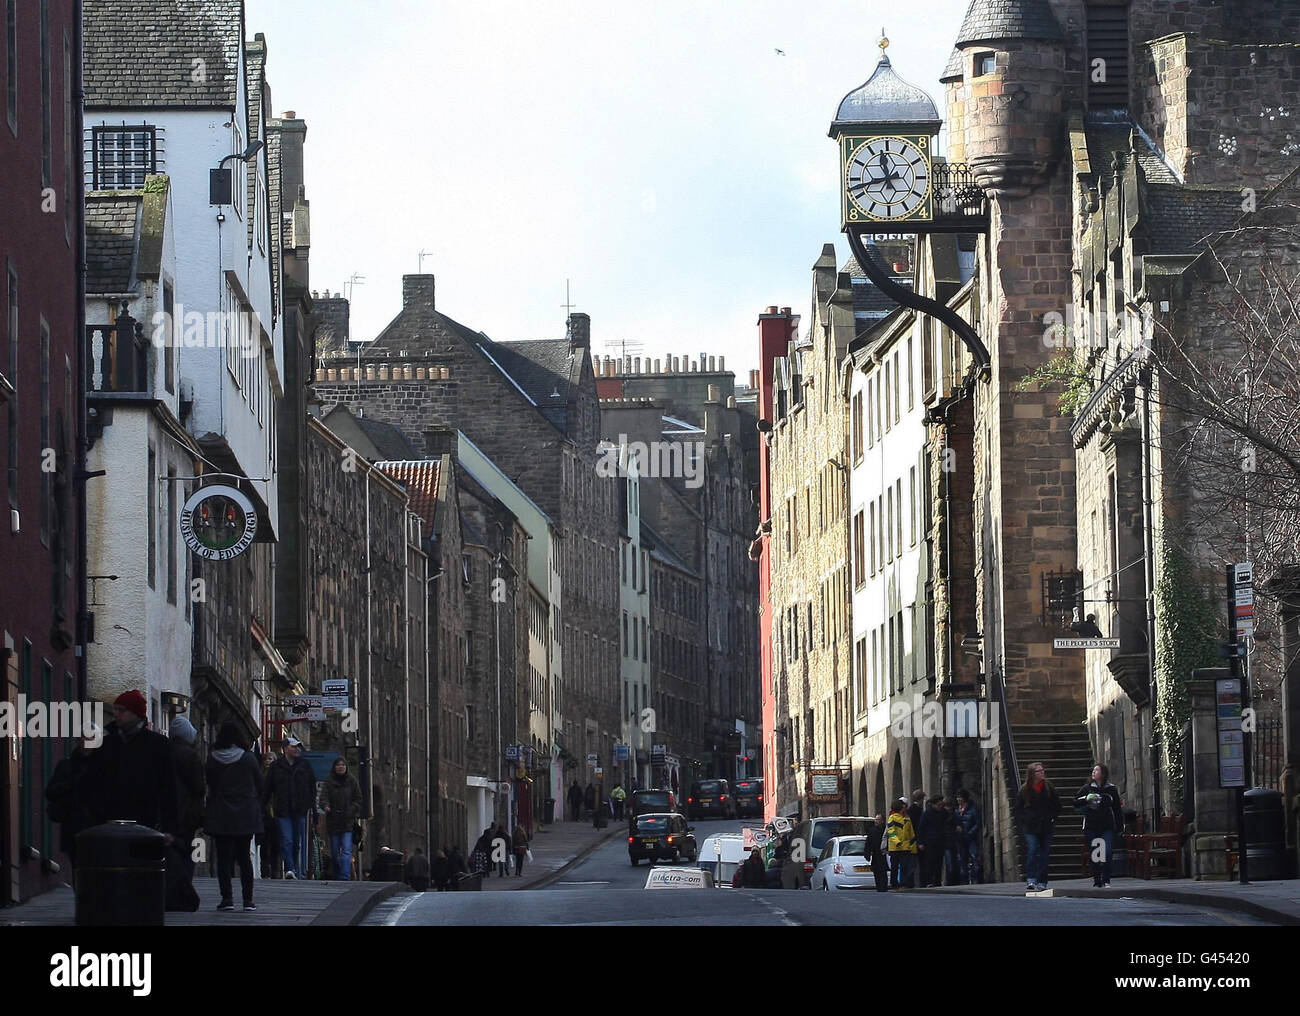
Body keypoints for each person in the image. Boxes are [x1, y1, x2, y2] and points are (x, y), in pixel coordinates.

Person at [83, 691, 179, 841]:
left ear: (136, 713)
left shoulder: (157, 744)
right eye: (115, 709)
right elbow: (93, 782)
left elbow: (168, 788)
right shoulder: (106, 743)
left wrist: (169, 829)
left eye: (121, 710)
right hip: (109, 825)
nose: (116, 714)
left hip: (146, 824)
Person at [205, 721, 264, 912]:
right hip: (245, 813)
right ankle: (248, 900)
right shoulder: (248, 759)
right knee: (244, 857)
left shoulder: (213, 758)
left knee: (223, 858)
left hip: (221, 812)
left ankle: (227, 899)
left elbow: (210, 784)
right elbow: (260, 784)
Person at [45, 724, 101, 872]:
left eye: (91, 737)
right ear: (77, 740)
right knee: (78, 868)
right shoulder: (67, 765)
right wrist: (70, 785)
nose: (87, 741)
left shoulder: (104, 765)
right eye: (83, 737)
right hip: (73, 825)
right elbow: (50, 792)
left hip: (98, 825)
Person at [264, 735, 317, 879]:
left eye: (297, 746)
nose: (297, 749)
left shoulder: (304, 765)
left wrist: (312, 807)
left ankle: (294, 868)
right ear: (286, 748)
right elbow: (268, 788)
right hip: (283, 809)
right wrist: (262, 805)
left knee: (296, 842)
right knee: (287, 839)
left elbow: (312, 787)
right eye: (293, 746)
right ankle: (290, 868)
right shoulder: (276, 767)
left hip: (299, 809)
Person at [1013, 761, 1061, 891]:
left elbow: (1057, 805)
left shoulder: (1049, 787)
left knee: (1045, 854)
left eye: (1042, 770)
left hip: (1046, 825)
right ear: (1032, 774)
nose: (1042, 772)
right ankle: (1031, 879)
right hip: (1031, 826)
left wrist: (1052, 818)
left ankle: (1042, 881)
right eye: (1039, 771)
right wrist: (1024, 820)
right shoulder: (1024, 790)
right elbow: (1018, 808)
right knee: (1033, 850)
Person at [168, 716, 206, 881]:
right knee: (188, 848)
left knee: (171, 848)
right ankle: (184, 885)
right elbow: (198, 787)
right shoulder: (191, 755)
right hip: (187, 811)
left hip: (167, 809)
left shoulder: (164, 751)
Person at [1075, 763, 1124, 888]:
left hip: (1107, 825)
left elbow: (1117, 808)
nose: (1093, 772)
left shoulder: (1111, 789)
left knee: (1107, 851)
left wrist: (1119, 825)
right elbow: (1076, 802)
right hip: (1091, 825)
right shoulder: (1087, 788)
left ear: (1103, 773)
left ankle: (1106, 878)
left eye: (1096, 770)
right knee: (1096, 852)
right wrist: (1086, 798)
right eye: (1093, 770)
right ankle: (1097, 879)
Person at [323, 755, 362, 881]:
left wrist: (351, 810)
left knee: (346, 851)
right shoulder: (329, 781)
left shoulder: (352, 781)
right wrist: (326, 806)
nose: (341, 767)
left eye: (343, 765)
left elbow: (358, 799)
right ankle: (336, 875)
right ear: (334, 767)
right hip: (333, 821)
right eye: (338, 765)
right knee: (334, 852)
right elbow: (323, 798)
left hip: (347, 821)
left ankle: (344, 877)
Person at [916, 795, 948, 887]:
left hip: (940, 841)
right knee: (930, 862)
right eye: (938, 805)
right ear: (933, 804)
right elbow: (921, 828)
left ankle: (937, 881)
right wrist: (920, 842)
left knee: (939, 863)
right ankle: (929, 881)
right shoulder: (927, 814)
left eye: (941, 805)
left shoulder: (943, 813)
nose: (940, 806)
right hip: (929, 842)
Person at [953, 788, 983, 884]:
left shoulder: (973, 809)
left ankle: (976, 879)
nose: (958, 799)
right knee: (962, 859)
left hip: (971, 837)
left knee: (974, 857)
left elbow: (977, 823)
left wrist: (969, 833)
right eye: (957, 797)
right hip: (960, 838)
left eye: (960, 797)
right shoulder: (956, 810)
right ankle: (964, 880)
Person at [886, 798, 917, 889]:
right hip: (895, 847)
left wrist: (913, 847)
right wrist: (897, 841)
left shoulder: (907, 818)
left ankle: (904, 883)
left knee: (904, 866)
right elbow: (891, 831)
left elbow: (911, 834)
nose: (905, 808)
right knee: (895, 867)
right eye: (903, 806)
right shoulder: (892, 818)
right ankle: (894, 883)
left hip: (905, 847)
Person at [864, 813, 889, 892]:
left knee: (883, 872)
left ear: (882, 821)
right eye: (876, 819)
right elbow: (868, 843)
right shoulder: (872, 831)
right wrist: (867, 854)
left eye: (878, 820)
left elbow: (892, 837)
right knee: (877, 872)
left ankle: (884, 887)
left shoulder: (887, 830)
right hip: (875, 855)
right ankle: (878, 887)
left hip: (884, 854)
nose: (876, 821)